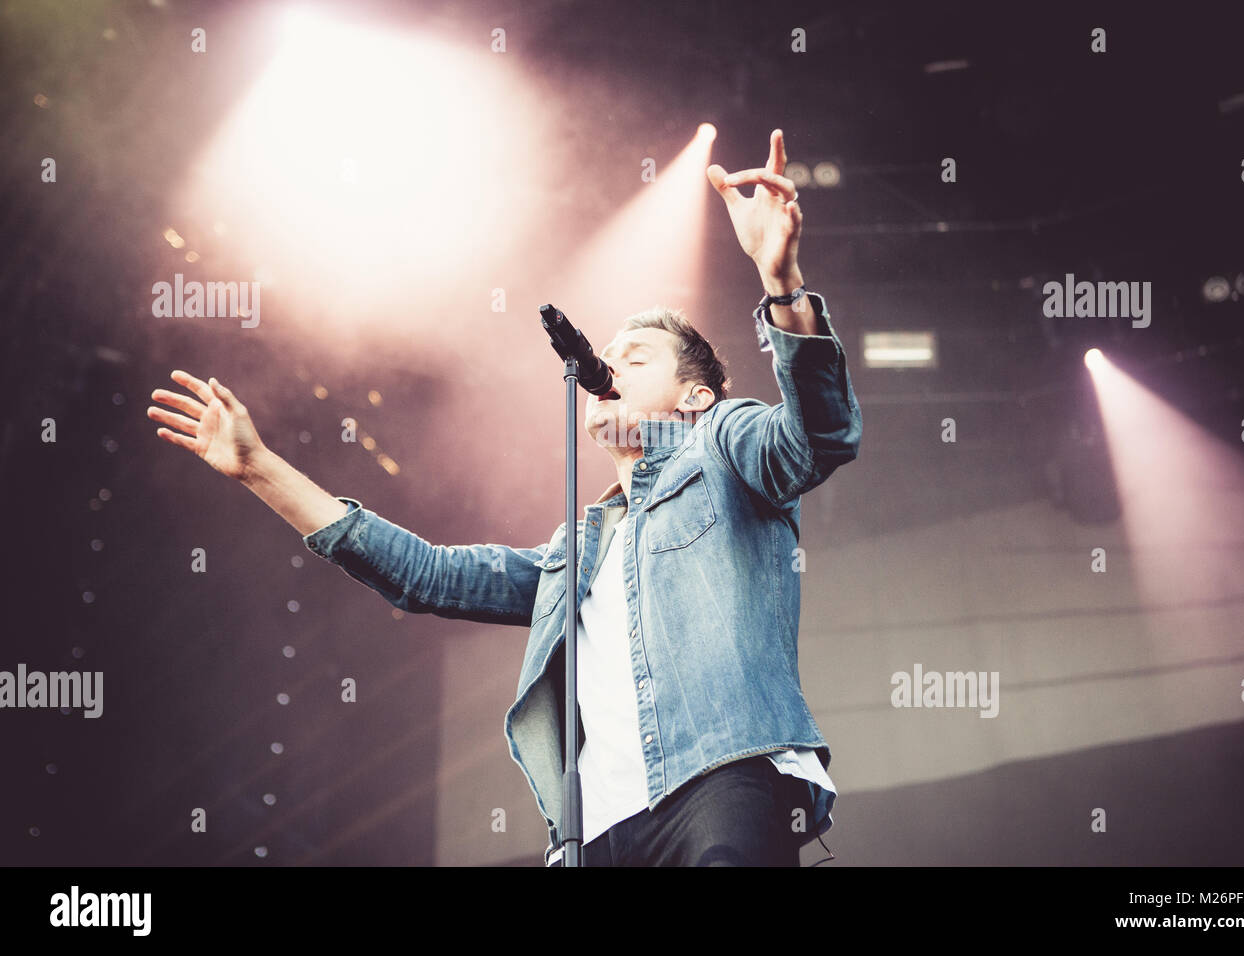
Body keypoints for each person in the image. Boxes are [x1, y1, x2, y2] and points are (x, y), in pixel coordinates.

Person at [148, 128, 862, 866]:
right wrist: (258, 466)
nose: (609, 365)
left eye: (636, 356)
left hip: (719, 779)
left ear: (696, 394)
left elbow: (821, 437)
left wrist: (781, 283)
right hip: (594, 831)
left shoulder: (723, 440)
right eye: (608, 355)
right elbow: (424, 575)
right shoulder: (573, 553)